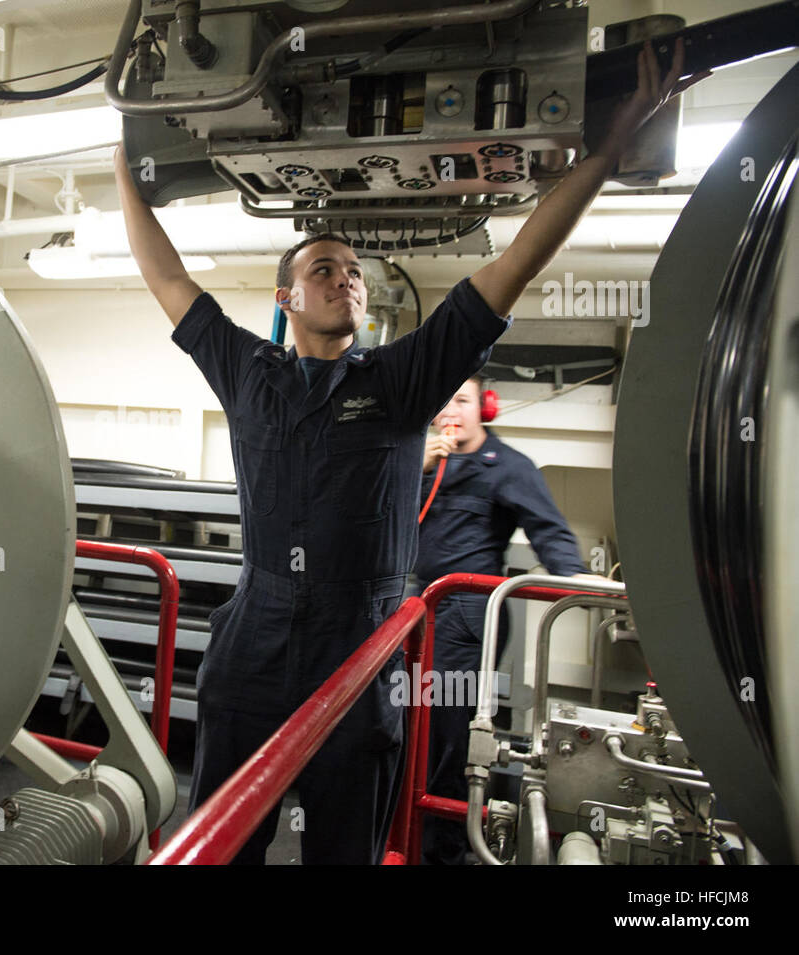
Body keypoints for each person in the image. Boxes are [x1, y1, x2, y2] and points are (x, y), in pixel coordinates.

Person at [115, 39, 696, 864]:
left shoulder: (400, 378)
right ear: (286, 297)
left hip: (364, 641)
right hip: (256, 640)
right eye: (324, 268)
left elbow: (515, 266)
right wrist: (121, 169)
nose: (345, 278)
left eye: (353, 271)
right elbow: (167, 277)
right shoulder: (248, 369)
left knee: (345, 845)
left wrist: (604, 152)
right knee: (224, 835)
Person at [417, 374, 601, 864]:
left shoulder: (508, 467)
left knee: (448, 736)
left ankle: (443, 852)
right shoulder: (418, 462)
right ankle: (402, 836)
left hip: (464, 619)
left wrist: (578, 583)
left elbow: (551, 531)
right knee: (403, 727)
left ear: (486, 408)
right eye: (444, 400)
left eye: (463, 399)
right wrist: (417, 468)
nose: (451, 410)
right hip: (414, 611)